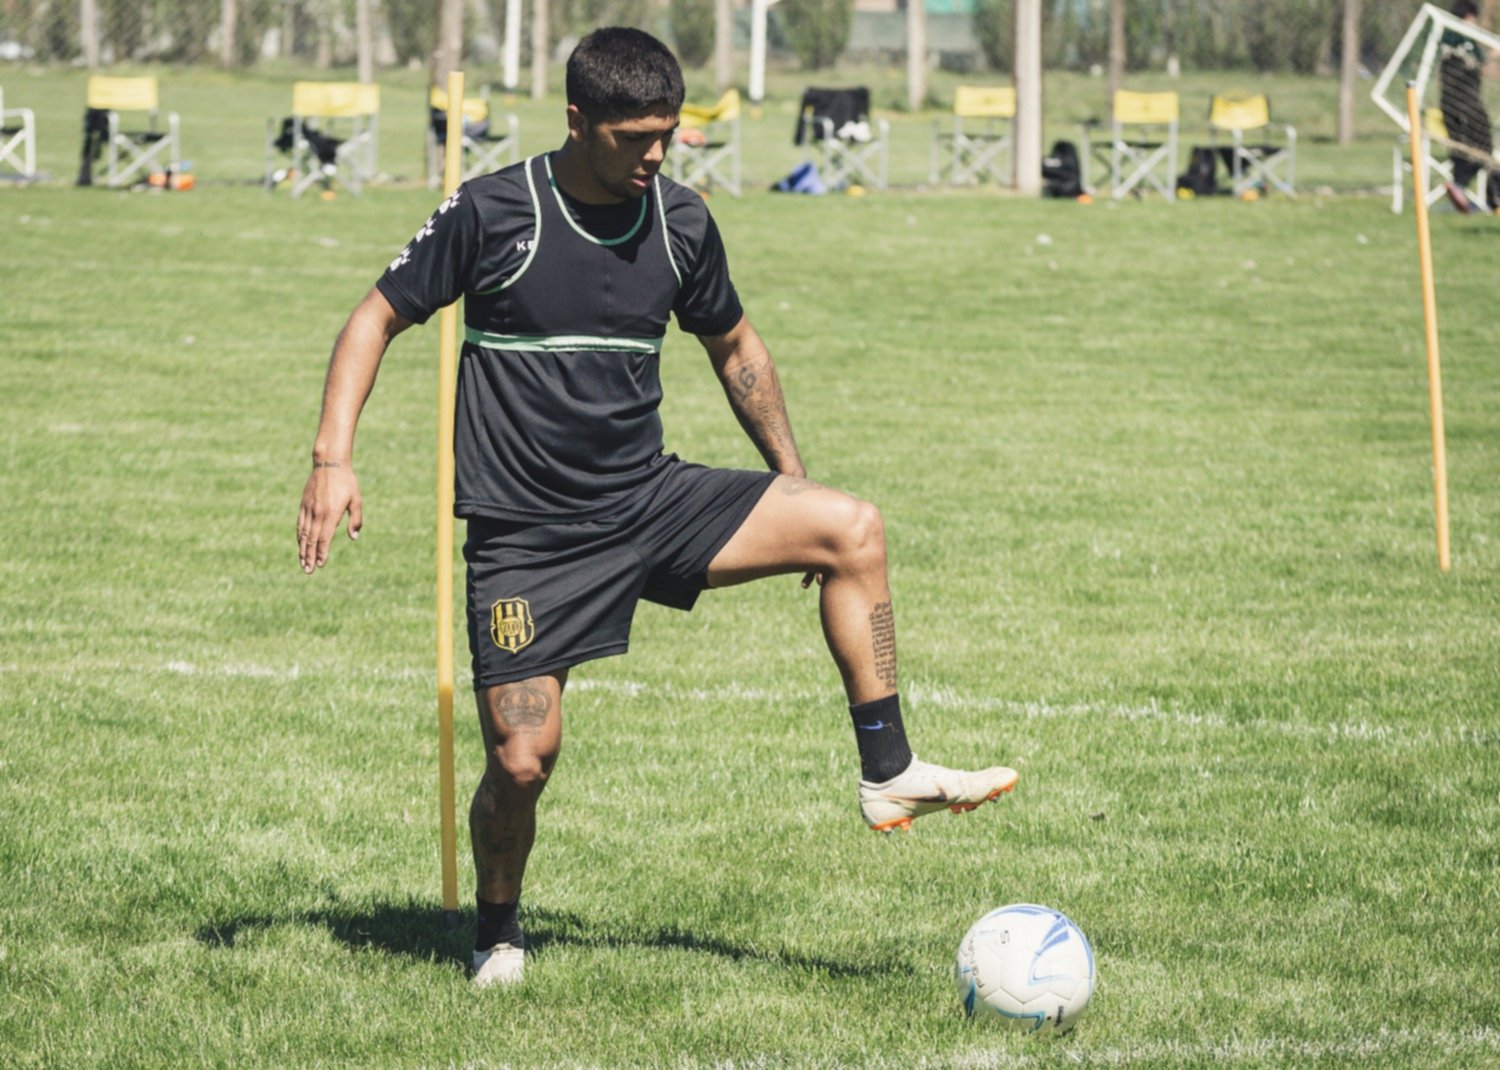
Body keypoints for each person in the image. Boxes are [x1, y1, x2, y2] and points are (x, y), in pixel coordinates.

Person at [295, 27, 1017, 988]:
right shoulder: (493, 211)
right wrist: (331, 459)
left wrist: (788, 478)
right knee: (520, 760)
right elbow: (374, 316)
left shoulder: (680, 221)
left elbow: (737, 350)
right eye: (634, 137)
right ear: (578, 122)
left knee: (851, 527)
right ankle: (498, 935)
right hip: (529, 542)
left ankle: (887, 771)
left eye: (667, 135)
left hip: (649, 502)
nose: (655, 155)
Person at [1439, 0, 1499, 214]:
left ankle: (1461, 186)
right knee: (1484, 149)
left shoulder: (1446, 37)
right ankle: (1494, 199)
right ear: (1468, 17)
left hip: (1448, 105)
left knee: (1463, 150)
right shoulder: (1463, 37)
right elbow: (1485, 57)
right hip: (1467, 105)